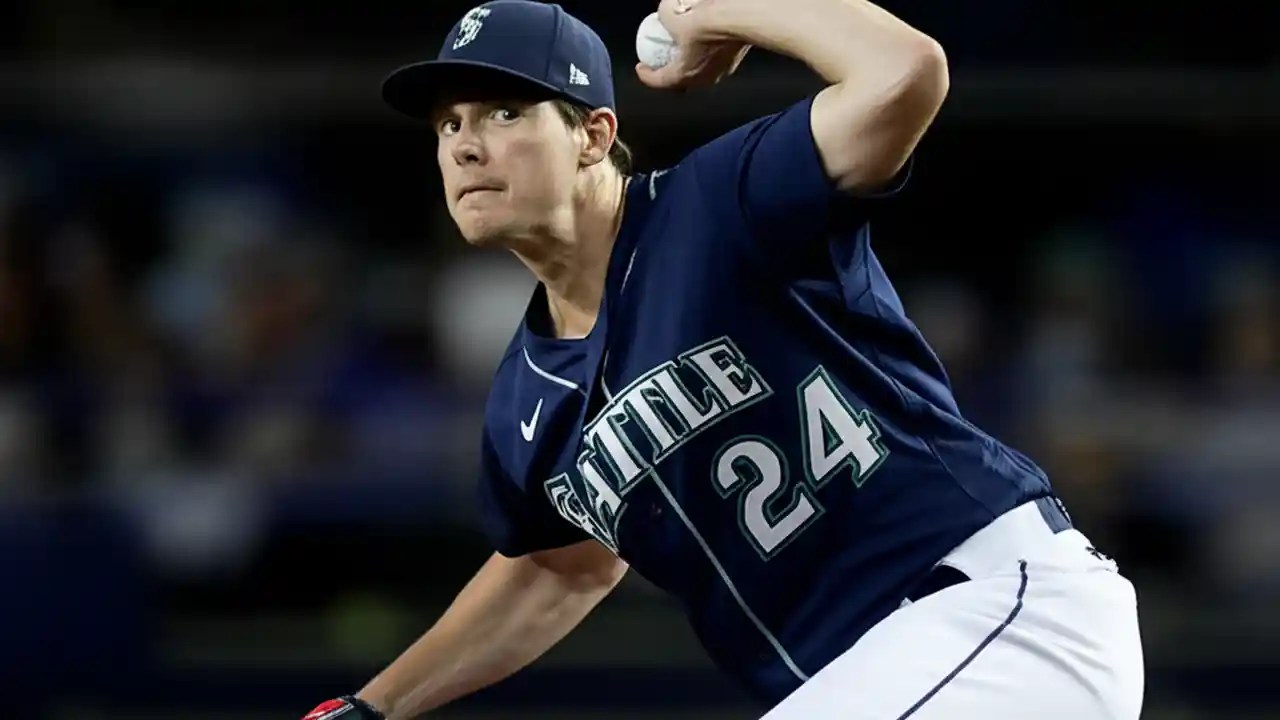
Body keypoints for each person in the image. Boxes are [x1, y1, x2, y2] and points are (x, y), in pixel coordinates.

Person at [302, 0, 1145, 718]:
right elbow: (558, 571)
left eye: (504, 112)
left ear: (595, 135)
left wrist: (719, 11)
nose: (464, 144)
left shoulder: (718, 205)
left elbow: (904, 71)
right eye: (449, 123)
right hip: (871, 680)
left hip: (992, 609)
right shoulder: (530, 396)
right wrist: (371, 706)